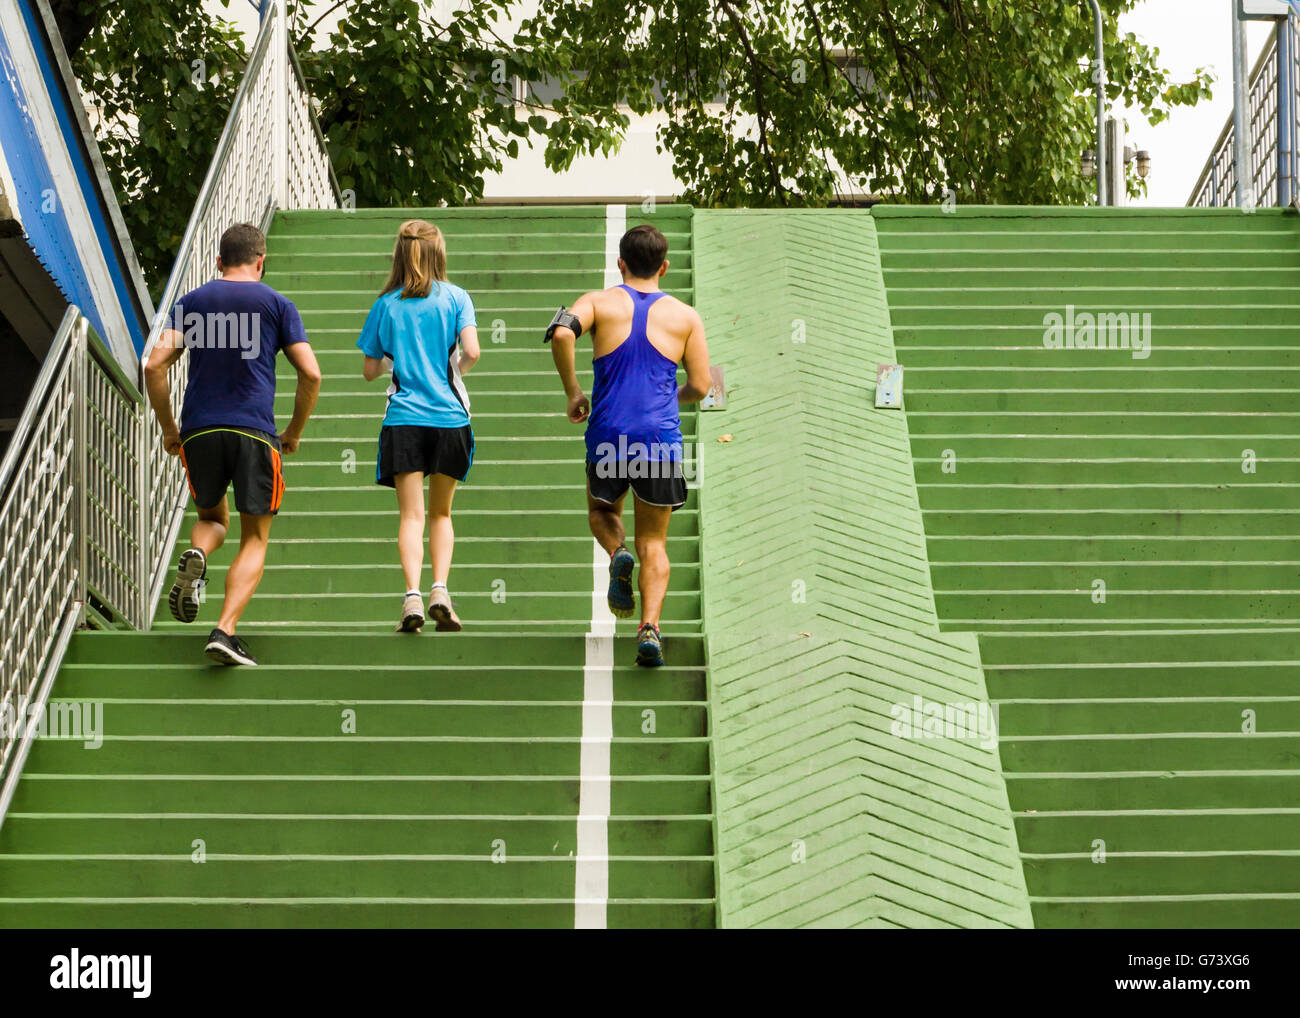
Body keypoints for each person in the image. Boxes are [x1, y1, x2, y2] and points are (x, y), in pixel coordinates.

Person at [144, 222, 321, 666]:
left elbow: (153, 367)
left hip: (200, 429)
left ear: (218, 262)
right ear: (261, 261)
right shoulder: (277, 304)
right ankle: (224, 630)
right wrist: (294, 432)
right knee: (255, 536)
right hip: (253, 431)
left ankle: (199, 552)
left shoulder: (192, 304)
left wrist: (170, 429)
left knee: (211, 517)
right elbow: (312, 373)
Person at [547, 223, 711, 667]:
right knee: (654, 543)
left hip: (607, 433)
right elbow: (701, 384)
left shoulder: (599, 302)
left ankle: (617, 553)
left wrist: (573, 392)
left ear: (621, 263)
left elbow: (562, 332)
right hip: (659, 440)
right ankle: (651, 629)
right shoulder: (685, 316)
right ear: (664, 267)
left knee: (602, 512)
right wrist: (666, 400)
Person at [357, 219, 480, 633]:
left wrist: (399, 360)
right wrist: (453, 371)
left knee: (410, 516)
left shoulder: (385, 305)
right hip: (450, 418)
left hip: (404, 419)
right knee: (441, 514)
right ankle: (440, 591)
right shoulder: (457, 297)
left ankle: (411, 595)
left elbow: (370, 370)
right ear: (437, 252)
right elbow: (474, 352)